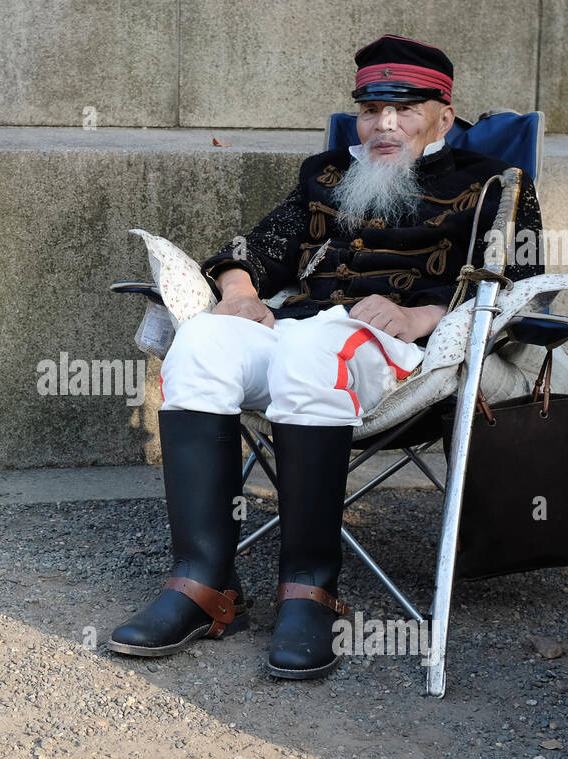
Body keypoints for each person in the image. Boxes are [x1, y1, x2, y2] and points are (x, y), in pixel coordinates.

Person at [108, 35, 545, 679]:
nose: (384, 124)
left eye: (405, 108)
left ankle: (310, 590)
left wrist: (425, 316)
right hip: (302, 335)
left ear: (443, 117)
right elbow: (252, 249)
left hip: (404, 358)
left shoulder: (492, 186)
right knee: (201, 341)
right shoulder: (329, 174)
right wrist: (242, 292)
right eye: (371, 109)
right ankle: (203, 584)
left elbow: (522, 285)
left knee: (316, 344)